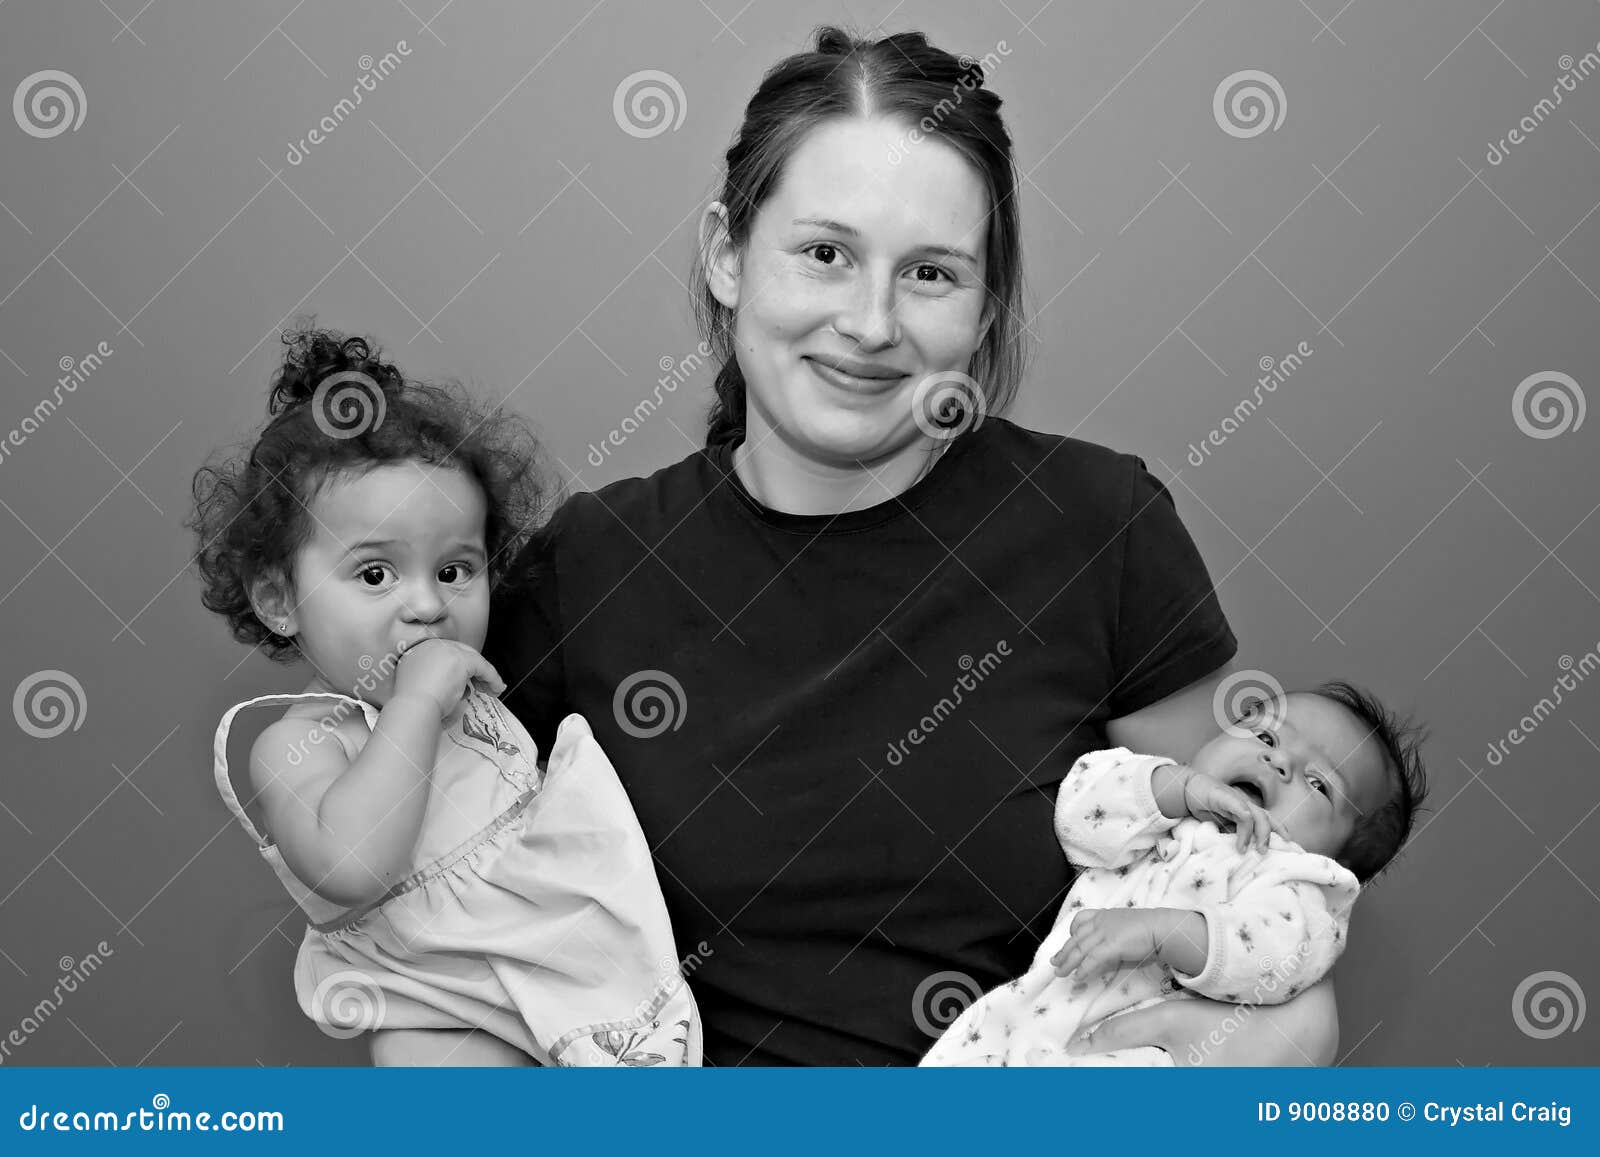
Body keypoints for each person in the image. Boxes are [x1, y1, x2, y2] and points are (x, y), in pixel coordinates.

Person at [484, 26, 1341, 1065]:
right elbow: (442, 929)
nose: (871, 322)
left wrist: (1273, 1037)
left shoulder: (1096, 525)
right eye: (824, 253)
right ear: (725, 254)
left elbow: (1266, 915)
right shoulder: (591, 563)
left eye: (931, 273)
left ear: (983, 309)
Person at [190, 326, 702, 1067]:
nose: (427, 605)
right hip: (444, 1005)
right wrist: (415, 706)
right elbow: (353, 866)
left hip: (564, 969)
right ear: (277, 598)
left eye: (456, 570)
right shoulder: (298, 744)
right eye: (375, 575)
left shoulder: (477, 696)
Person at [921, 684, 1429, 1065]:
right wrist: (1176, 788)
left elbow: (1271, 954)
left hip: (1143, 1056)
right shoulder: (1168, 808)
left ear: (1334, 862)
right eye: (1267, 734)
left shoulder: (1296, 887)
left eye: (1318, 784)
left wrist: (1162, 931)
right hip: (1034, 1012)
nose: (1278, 761)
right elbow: (1082, 810)